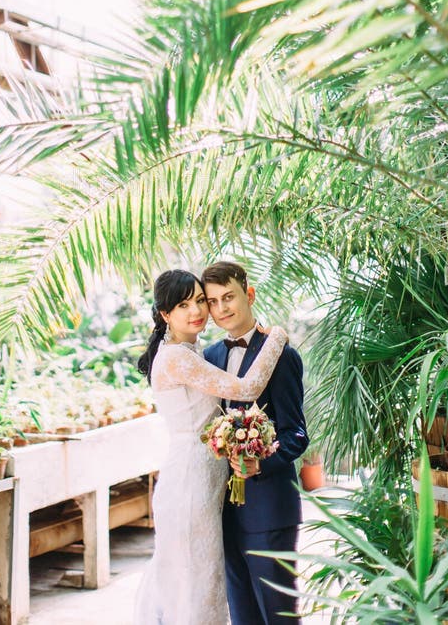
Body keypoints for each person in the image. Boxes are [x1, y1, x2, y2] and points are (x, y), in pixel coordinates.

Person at [134, 269, 288, 625]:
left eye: (200, 300)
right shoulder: (177, 357)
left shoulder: (190, 350)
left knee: (200, 579)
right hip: (190, 482)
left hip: (202, 477)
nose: (196, 311)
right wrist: (276, 337)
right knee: (197, 582)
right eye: (183, 305)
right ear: (164, 315)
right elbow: (247, 389)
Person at [202, 261, 309, 625]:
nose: (222, 308)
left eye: (228, 297)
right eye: (213, 301)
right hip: (223, 513)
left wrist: (261, 462)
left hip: (269, 511)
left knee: (279, 617)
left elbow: (296, 434)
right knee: (242, 616)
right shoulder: (210, 358)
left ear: (249, 294)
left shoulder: (281, 355)